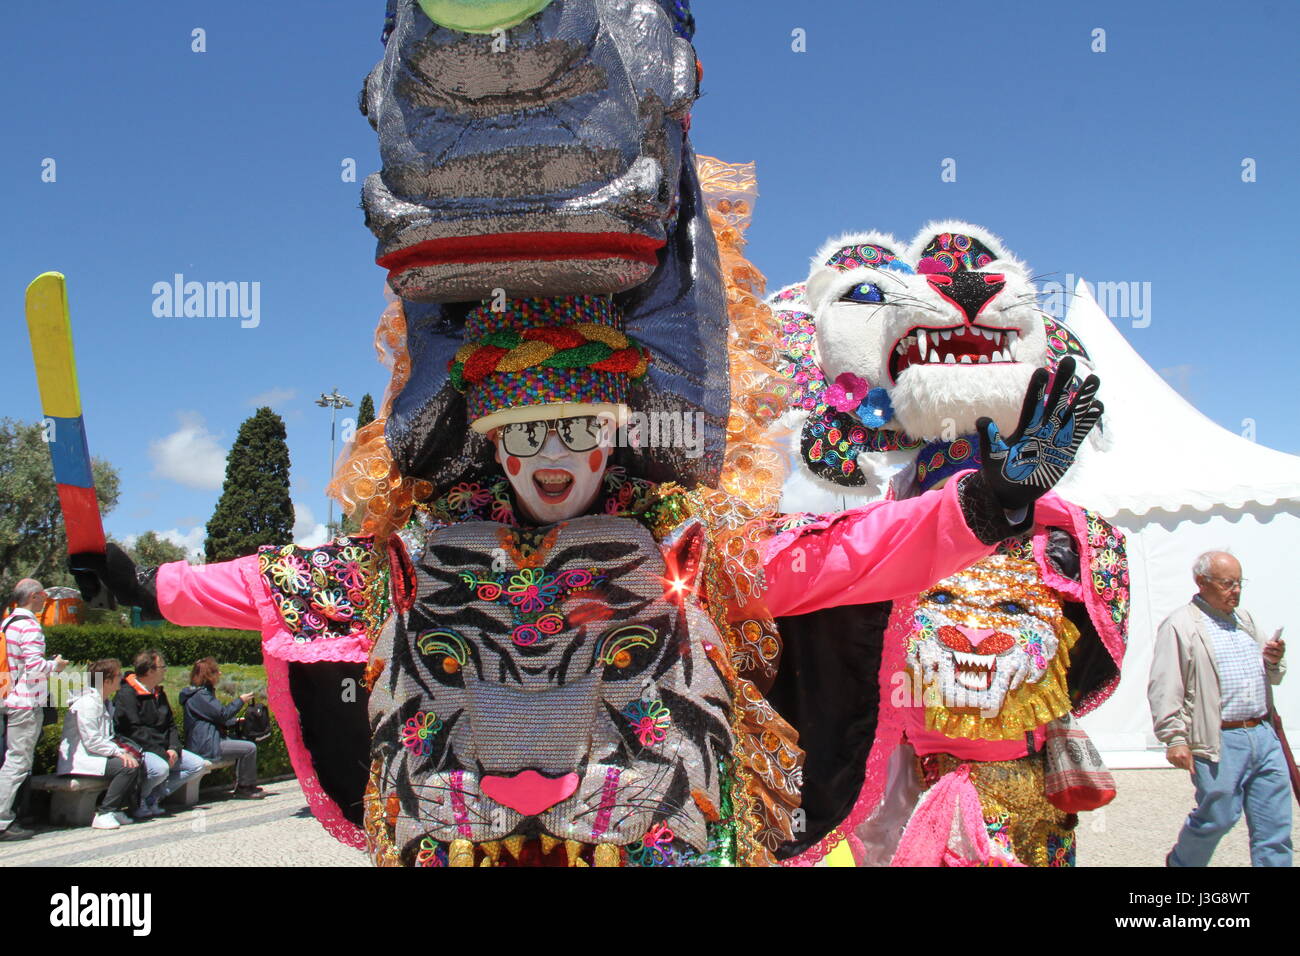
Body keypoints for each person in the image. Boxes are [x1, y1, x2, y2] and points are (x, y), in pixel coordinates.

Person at [1149, 550, 1292, 866]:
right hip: (1219, 739)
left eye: (1240, 583)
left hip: (1263, 733)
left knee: (1276, 826)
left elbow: (1269, 674)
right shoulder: (1180, 625)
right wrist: (1174, 738)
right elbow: (1165, 685)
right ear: (1202, 582)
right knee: (1217, 817)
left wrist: (1271, 660)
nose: (1236, 591)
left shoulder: (1246, 620)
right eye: (1228, 584)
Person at [0, 579, 68, 840]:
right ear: (35, 596)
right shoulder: (29, 626)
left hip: (7, 697)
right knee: (17, 763)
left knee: (11, 760)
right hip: (25, 702)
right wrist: (56, 666)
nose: (44, 601)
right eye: (42, 596)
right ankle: (3, 820)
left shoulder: (7, 623)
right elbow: (35, 667)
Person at [114, 649, 205, 817]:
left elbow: (170, 724)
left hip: (164, 749)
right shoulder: (127, 694)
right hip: (142, 749)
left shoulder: (158, 692)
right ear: (149, 671)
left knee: (197, 765)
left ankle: (154, 796)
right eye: (162, 667)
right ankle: (138, 799)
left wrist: (173, 748)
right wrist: (161, 753)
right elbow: (134, 730)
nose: (165, 670)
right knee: (160, 768)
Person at [57, 658, 144, 830]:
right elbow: (92, 740)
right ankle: (105, 812)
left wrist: (121, 751)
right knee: (127, 766)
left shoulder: (104, 702)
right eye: (118, 675)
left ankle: (117, 808)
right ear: (106, 681)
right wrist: (118, 753)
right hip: (80, 760)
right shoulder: (88, 704)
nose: (121, 678)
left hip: (95, 755)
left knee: (134, 760)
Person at [180, 658, 265, 800]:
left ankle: (245, 784)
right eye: (216, 671)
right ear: (208, 675)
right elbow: (222, 714)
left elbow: (213, 717)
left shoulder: (200, 693)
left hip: (207, 740)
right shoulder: (201, 696)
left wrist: (236, 721)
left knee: (244, 742)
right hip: (206, 744)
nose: (220, 673)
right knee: (249, 748)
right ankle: (244, 788)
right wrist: (240, 700)